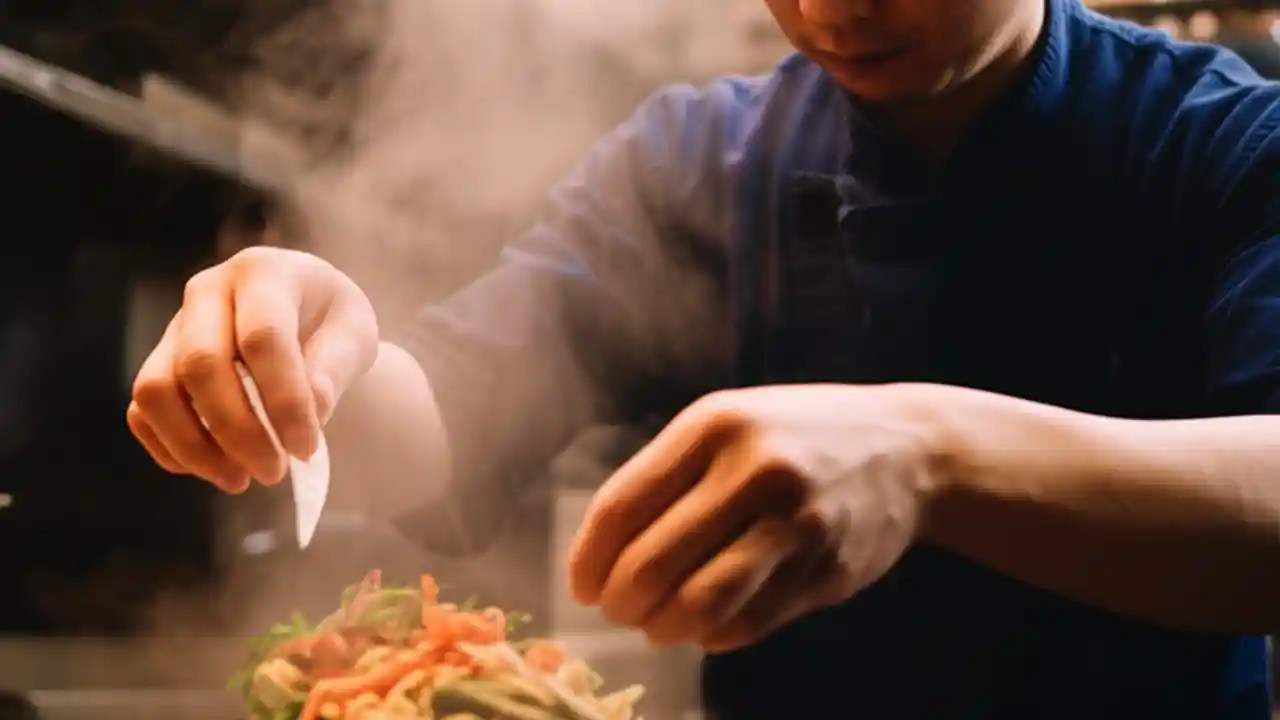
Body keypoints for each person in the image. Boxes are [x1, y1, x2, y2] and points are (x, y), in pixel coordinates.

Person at [127, 0, 1280, 716]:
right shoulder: (696, 161)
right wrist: (317, 354)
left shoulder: (1216, 138)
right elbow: (449, 418)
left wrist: (927, 457)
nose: (835, 4)